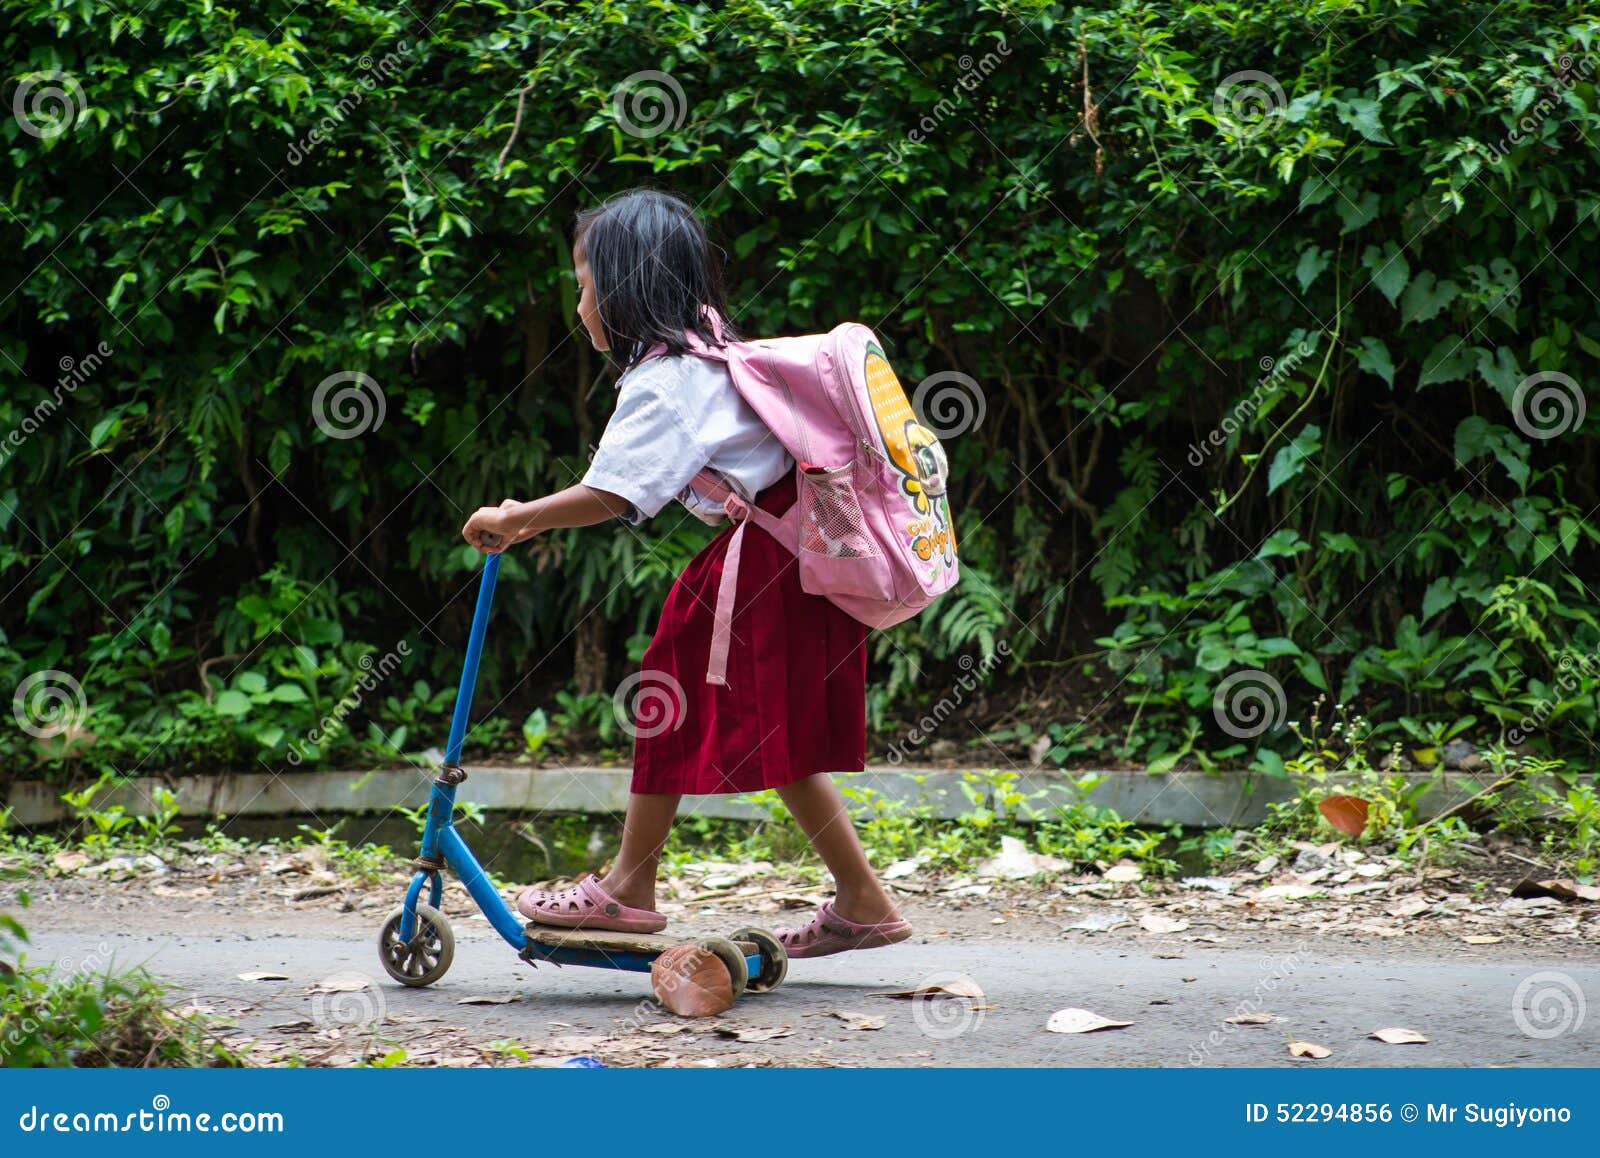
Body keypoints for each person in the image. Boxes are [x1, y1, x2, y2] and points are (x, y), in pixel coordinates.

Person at [459, 188, 910, 959]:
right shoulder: (710, 345)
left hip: (764, 559)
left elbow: (615, 493)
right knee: (777, 732)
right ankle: (862, 899)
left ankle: (631, 887)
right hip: (794, 552)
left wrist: (519, 517)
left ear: (624, 288)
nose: (579, 304)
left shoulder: (666, 380)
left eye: (584, 283)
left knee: (663, 696)